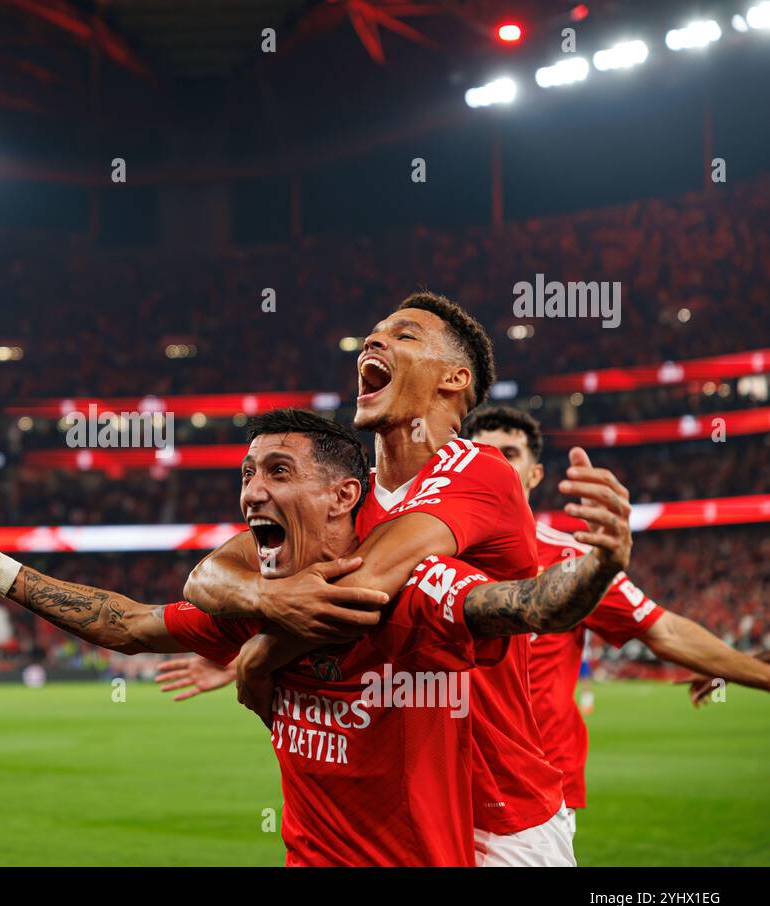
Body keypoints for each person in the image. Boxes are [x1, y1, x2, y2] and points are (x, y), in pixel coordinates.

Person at [0, 409, 632, 865]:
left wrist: (599, 564)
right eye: (248, 473)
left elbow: (526, 604)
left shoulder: (417, 590)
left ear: (343, 494)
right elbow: (128, 623)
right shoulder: (254, 599)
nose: (251, 490)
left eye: (277, 472)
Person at [184, 293, 615, 865]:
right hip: (402, 812)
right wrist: (263, 597)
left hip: (500, 816)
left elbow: (367, 586)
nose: (374, 341)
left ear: (455, 378)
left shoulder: (476, 469)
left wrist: (260, 652)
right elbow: (207, 575)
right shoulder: (350, 493)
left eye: (405, 335)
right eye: (374, 333)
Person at [460, 404, 770, 826]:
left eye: (510, 454)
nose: (496, 465)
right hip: (442, 784)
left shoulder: (572, 559)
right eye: (483, 454)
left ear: (534, 476)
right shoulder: (427, 551)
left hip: (531, 794)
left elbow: (665, 631)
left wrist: (747, 672)